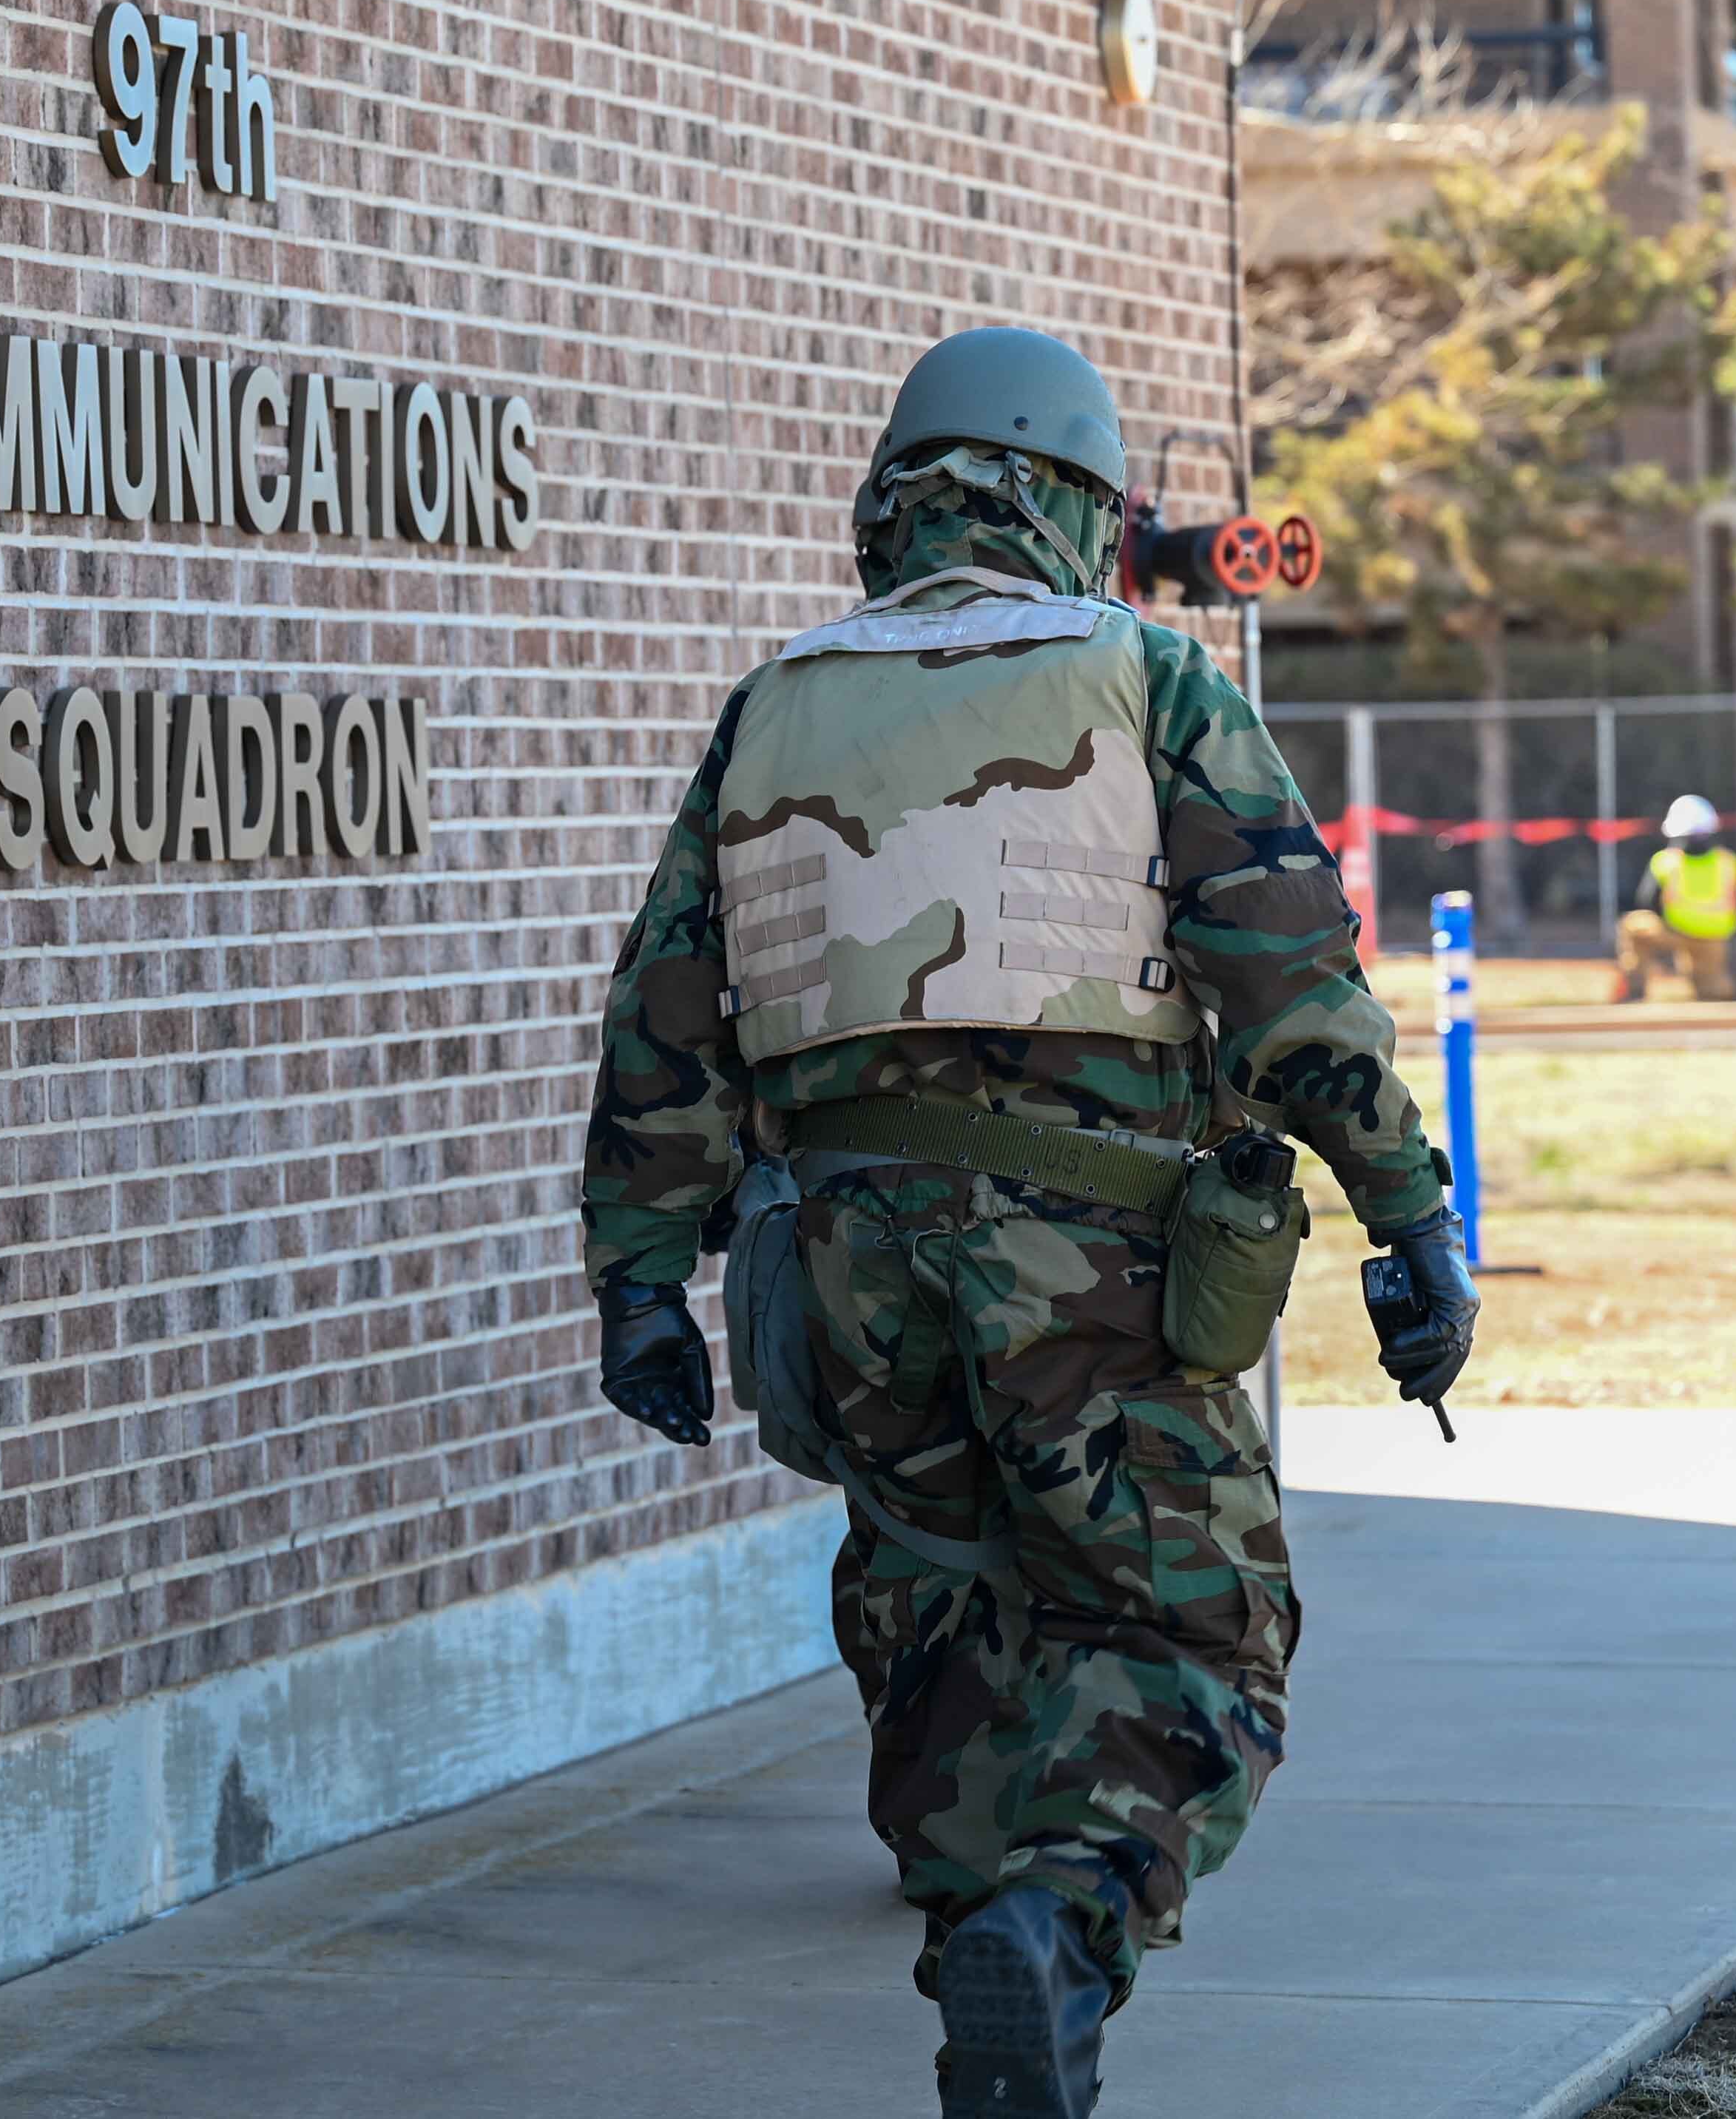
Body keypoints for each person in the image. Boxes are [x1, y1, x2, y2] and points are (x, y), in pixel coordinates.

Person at [578, 327, 1479, 2119]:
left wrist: (636, 1278)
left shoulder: (776, 698)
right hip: (1094, 1262)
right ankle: (1059, 1927)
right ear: (1077, 499)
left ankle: (985, 1945)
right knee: (1184, 1631)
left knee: (934, 1601)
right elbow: (1291, 975)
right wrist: (1407, 1216)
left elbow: (665, 1013)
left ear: (894, 498)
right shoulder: (1140, 674)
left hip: (838, 1263)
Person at [1611, 794, 1736, 1002]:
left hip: (1674, 929)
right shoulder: (1729, 861)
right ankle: (1718, 984)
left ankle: (1634, 990)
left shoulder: (1666, 862)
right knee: (1714, 994)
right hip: (1716, 935)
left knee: (1633, 926)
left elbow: (1647, 901)